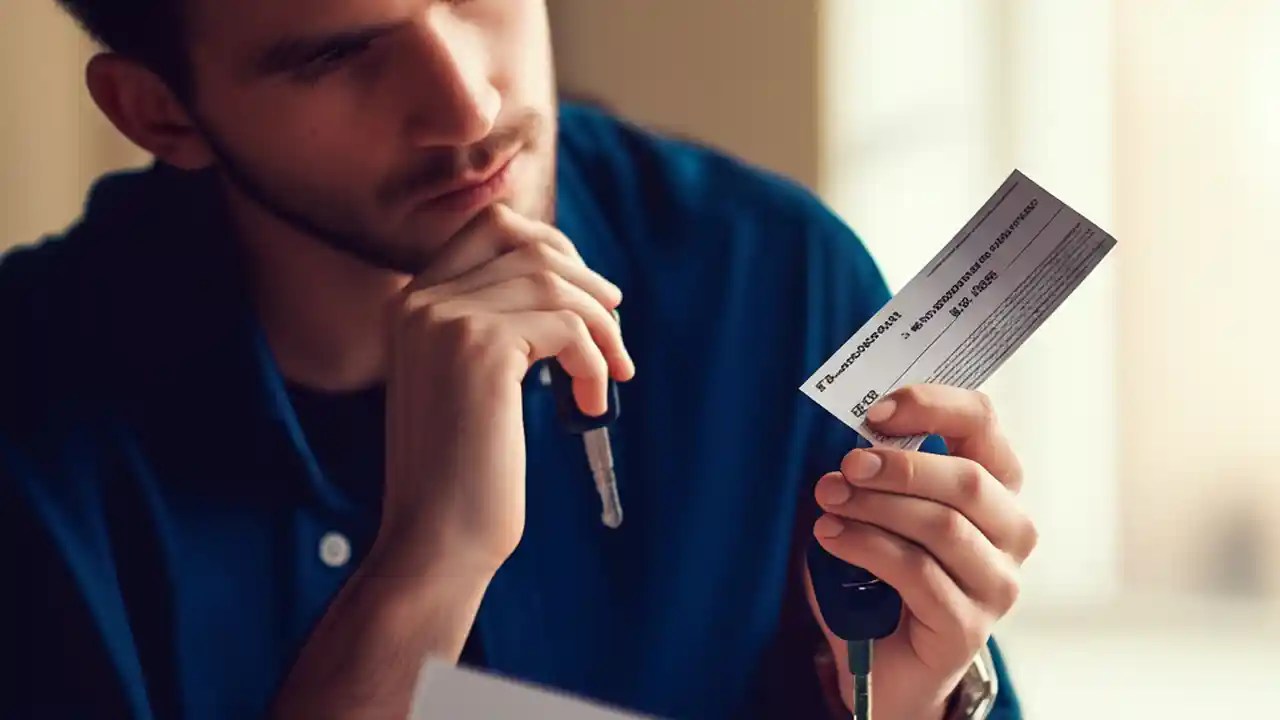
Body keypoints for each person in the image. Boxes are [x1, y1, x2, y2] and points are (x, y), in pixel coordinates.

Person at [0, 2, 1039, 718]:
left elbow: (897, 688)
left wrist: (904, 699)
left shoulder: (771, 276)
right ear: (159, 111)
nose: (466, 105)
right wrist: (427, 566)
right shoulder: (33, 418)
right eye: (336, 54)